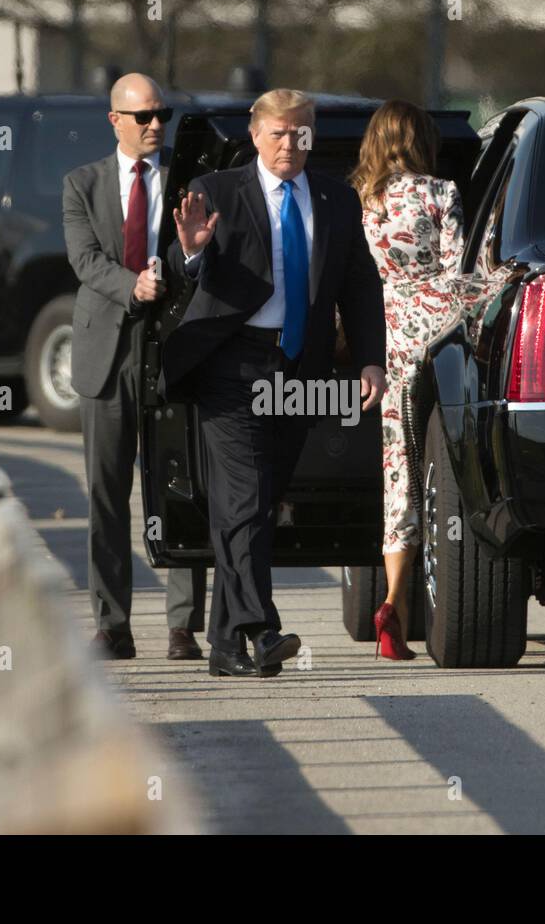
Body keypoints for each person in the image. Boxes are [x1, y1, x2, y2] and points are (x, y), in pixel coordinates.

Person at [165, 88, 387, 678]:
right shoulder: (219, 191)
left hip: (298, 371)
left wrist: (370, 359)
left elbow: (359, 285)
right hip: (230, 366)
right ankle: (262, 630)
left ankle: (224, 646)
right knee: (241, 500)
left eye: (301, 134)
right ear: (256, 134)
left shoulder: (337, 200)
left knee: (259, 506)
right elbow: (177, 265)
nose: (290, 145)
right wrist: (190, 253)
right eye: (279, 134)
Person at [63, 72, 207, 661]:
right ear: (115, 120)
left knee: (178, 487)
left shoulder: (186, 176)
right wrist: (135, 286)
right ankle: (112, 625)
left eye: (162, 115)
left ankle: (182, 627)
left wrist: (184, 260)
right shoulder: (82, 183)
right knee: (106, 492)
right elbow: (84, 260)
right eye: (143, 116)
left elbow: (199, 248)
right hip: (108, 349)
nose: (155, 126)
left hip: (174, 345)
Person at [351, 100, 467, 660]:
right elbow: (455, 274)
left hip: (387, 336)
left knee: (398, 469)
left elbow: (354, 275)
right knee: (441, 460)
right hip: (435, 337)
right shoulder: (440, 194)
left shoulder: (364, 201)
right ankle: (434, 593)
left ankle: (393, 602)